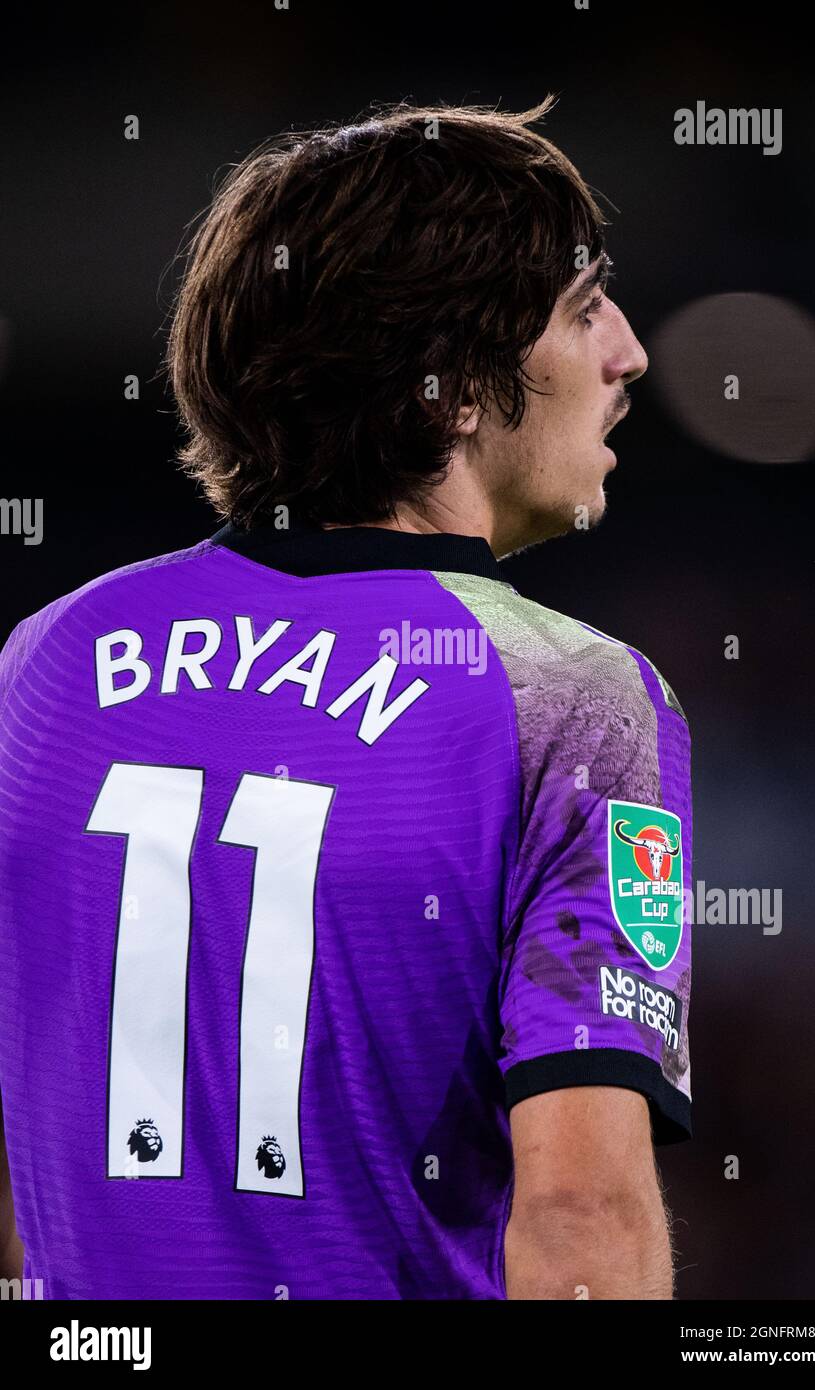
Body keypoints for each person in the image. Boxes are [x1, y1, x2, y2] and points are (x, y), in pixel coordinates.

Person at [0, 97, 692, 1300]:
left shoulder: (45, 660)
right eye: (581, 309)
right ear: (453, 394)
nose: (626, 352)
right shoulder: (573, 698)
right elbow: (580, 1209)